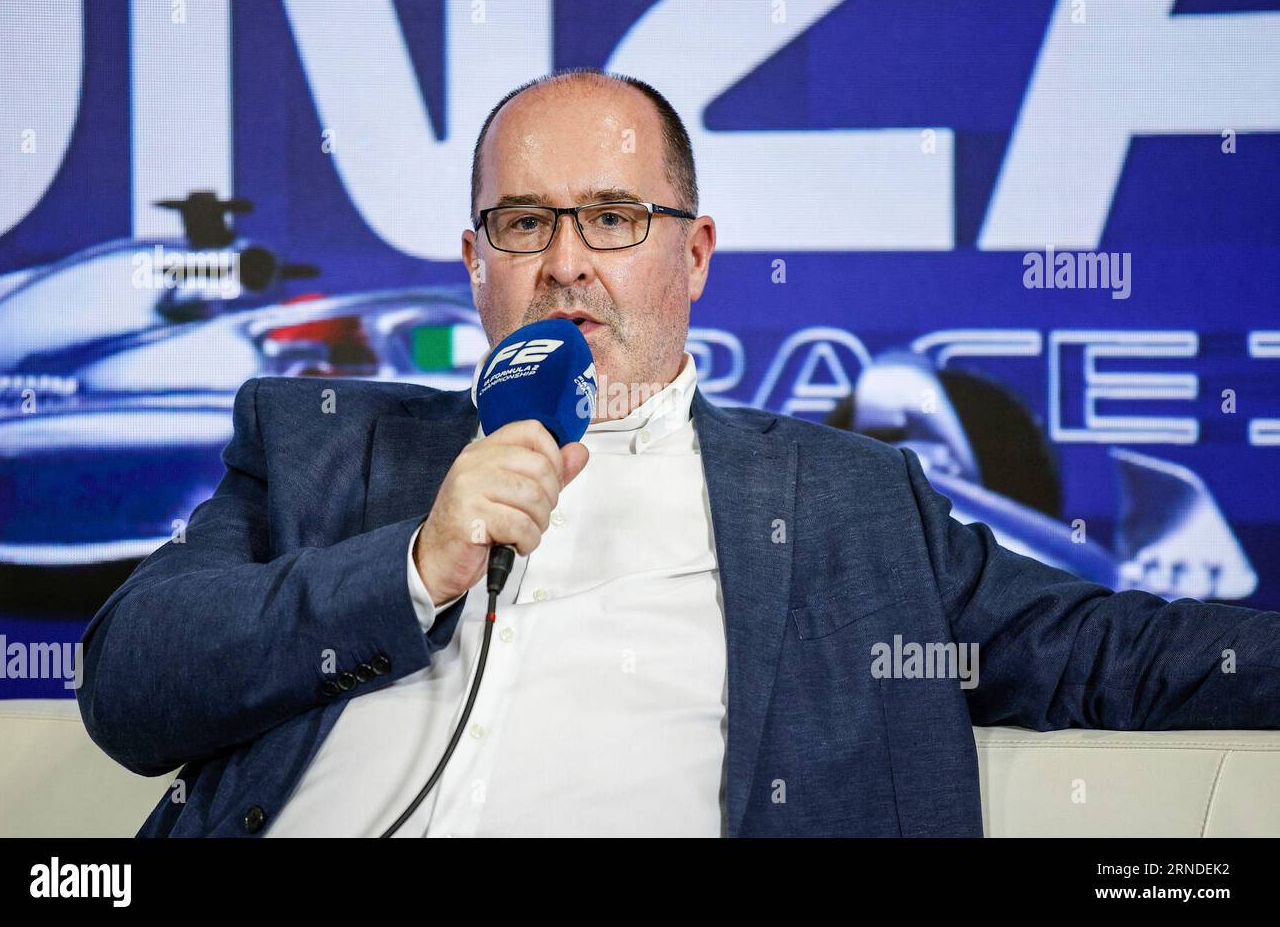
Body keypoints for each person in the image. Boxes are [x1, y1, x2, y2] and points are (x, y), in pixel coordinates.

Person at [77, 68, 1280, 837]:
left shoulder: (847, 504)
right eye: (523, 222)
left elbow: (1114, 653)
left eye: (611, 216)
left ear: (692, 256)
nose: (565, 262)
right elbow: (129, 688)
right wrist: (410, 567)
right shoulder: (318, 447)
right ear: (476, 261)